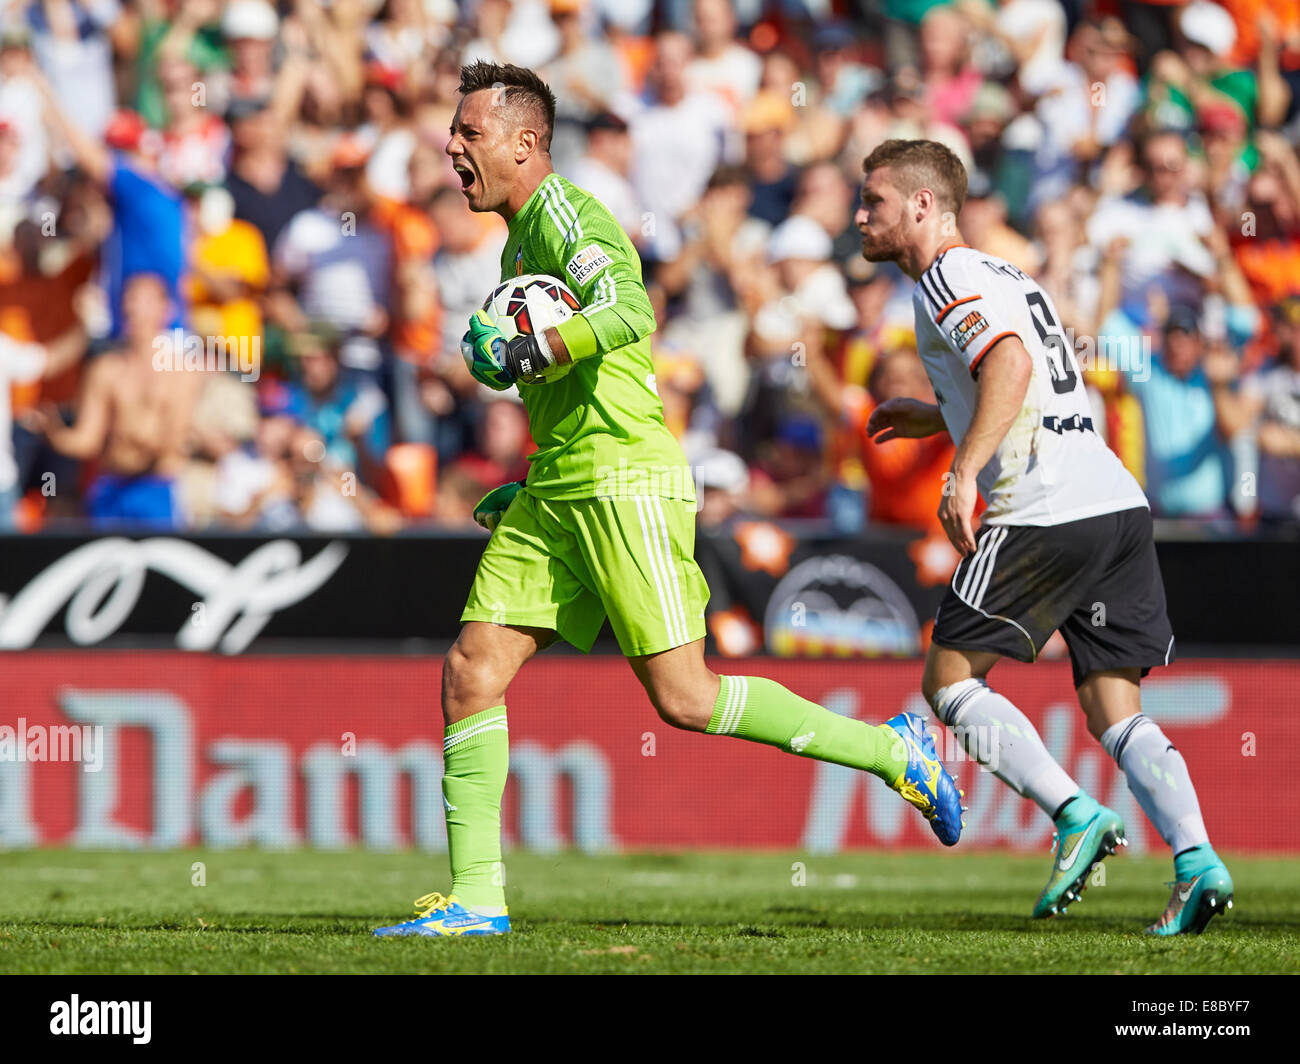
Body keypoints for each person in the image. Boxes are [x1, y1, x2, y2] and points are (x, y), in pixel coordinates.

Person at [371, 63, 963, 939]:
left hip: (622, 478)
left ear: (526, 142)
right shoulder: (514, 246)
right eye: (453, 133)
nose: (453, 146)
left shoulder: (566, 215)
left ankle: (893, 751)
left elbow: (627, 311)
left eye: (470, 133)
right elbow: (569, 365)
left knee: (684, 699)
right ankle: (477, 899)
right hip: (561, 484)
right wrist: (532, 453)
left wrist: (532, 352)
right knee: (470, 672)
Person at [857, 138, 1233, 935]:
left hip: (1043, 505)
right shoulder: (1003, 270)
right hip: (1113, 502)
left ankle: (1071, 814)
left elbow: (1012, 367)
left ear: (923, 205)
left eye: (875, 203)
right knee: (1112, 706)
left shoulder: (946, 277)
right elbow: (1026, 372)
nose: (861, 217)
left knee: (950, 680)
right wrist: (936, 415)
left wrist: (964, 470)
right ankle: (1197, 858)